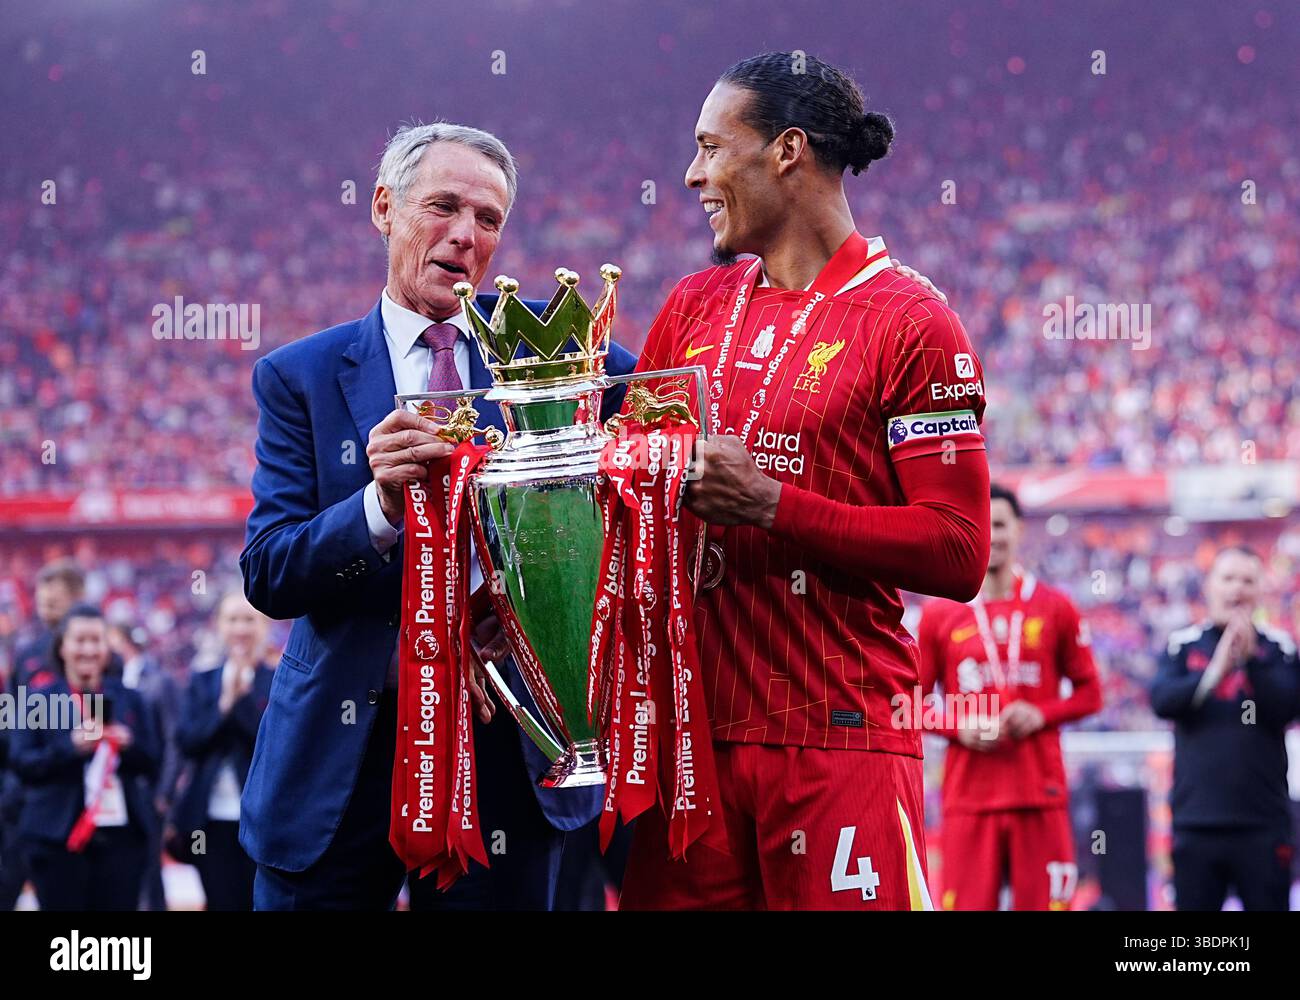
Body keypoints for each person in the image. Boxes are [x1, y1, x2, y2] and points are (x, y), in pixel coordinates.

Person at [618, 52, 990, 910]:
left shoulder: (913, 321)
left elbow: (959, 549)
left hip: (838, 739)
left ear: (787, 151)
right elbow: (629, 498)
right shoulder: (690, 307)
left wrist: (771, 504)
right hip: (691, 748)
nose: (692, 173)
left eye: (712, 147)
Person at [239, 122, 636, 910]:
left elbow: (640, 542)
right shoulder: (300, 377)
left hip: (507, 752)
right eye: (443, 207)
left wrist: (531, 611)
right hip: (341, 759)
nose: (465, 235)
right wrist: (377, 507)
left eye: (488, 219)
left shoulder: (578, 367)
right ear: (384, 207)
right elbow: (270, 572)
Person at [917, 483, 1103, 910]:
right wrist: (959, 728)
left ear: (1019, 529)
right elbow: (910, 703)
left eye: (1000, 524)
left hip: (1040, 795)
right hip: (969, 799)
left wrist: (1040, 715)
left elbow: (1092, 694)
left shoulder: (1057, 607)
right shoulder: (941, 612)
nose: (993, 535)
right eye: (984, 524)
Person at [1150, 545, 1299, 911]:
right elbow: (1163, 701)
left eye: (1247, 580)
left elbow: (1288, 707)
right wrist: (1214, 673)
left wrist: (1250, 661)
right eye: (1228, 578)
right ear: (1209, 586)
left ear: (1260, 589)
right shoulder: (1183, 644)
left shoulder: (1278, 647)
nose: (1237, 589)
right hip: (1196, 822)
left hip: (1263, 824)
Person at [9, 604, 161, 910]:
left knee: (115, 949)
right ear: (62, 646)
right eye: (80, 640)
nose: (89, 649)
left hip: (122, 838)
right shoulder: (38, 701)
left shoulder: (129, 697)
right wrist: (70, 748)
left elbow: (153, 758)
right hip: (57, 839)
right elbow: (22, 762)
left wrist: (127, 744)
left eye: (96, 640)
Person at [169, 593, 274, 910]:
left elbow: (270, 743)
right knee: (219, 901)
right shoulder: (202, 681)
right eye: (232, 619)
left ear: (263, 626)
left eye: (249, 619)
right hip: (208, 821)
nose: (240, 628)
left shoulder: (278, 680)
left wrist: (239, 701)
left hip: (261, 819)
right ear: (219, 626)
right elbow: (188, 741)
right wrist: (224, 704)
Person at [2, 560, 87, 910]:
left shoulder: (95, 650)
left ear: (77, 598)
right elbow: (9, 720)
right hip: (26, 791)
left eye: (55, 599)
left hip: (79, 794)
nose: (46, 604)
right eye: (42, 598)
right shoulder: (27, 656)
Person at [107, 620, 180, 911]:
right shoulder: (111, 680)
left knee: (149, 869)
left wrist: (164, 792)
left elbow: (174, 740)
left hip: (148, 789)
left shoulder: (159, 681)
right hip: (117, 790)